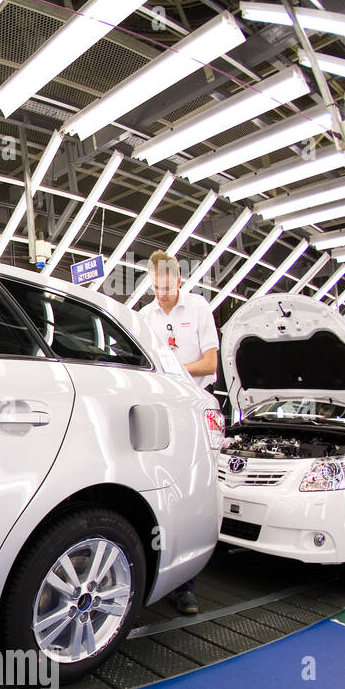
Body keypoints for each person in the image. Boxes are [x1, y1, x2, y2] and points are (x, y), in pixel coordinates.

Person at [139, 249, 219, 616]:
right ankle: (160, 572)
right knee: (161, 489)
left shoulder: (199, 308)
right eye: (156, 287)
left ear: (179, 280)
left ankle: (187, 584)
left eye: (168, 286)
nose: (162, 293)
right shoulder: (144, 317)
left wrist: (173, 372)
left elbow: (210, 362)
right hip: (162, 410)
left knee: (194, 490)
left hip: (198, 407)